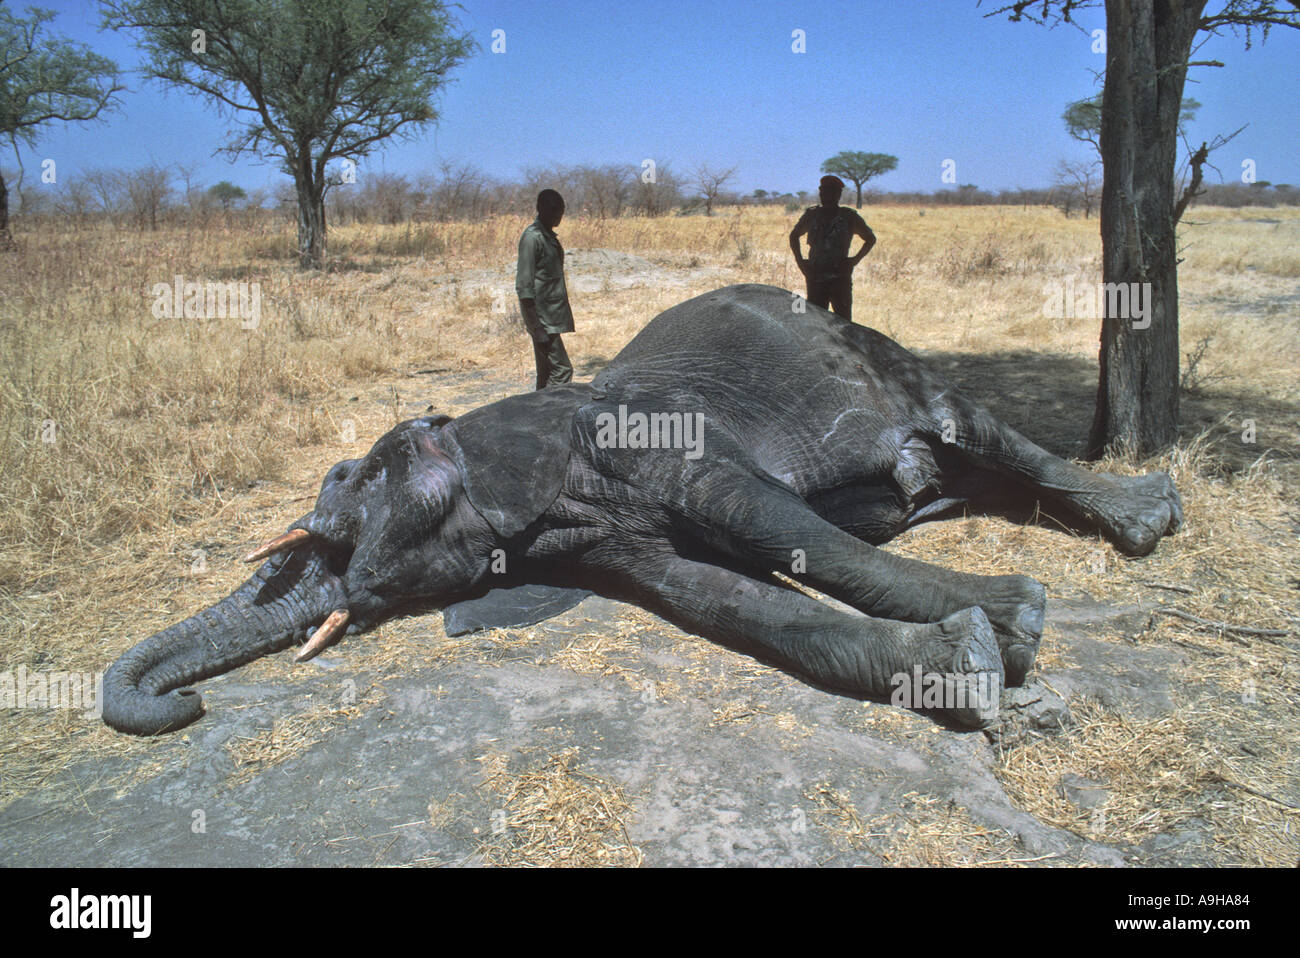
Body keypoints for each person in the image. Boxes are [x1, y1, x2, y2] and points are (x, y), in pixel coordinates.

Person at [788, 175, 876, 321]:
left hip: (840, 278)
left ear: (838, 195)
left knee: (844, 323)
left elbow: (870, 239)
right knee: (816, 321)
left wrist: (853, 261)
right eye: (823, 193)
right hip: (815, 276)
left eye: (831, 193)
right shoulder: (812, 215)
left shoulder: (849, 217)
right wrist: (800, 261)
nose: (826, 196)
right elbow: (794, 236)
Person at [516, 189, 575, 389]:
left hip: (550, 316)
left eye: (560, 211)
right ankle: (550, 414)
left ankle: (535, 416)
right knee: (562, 370)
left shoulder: (547, 236)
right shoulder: (533, 238)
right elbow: (524, 286)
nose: (558, 216)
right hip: (542, 319)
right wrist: (536, 327)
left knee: (546, 372)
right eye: (553, 211)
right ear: (540, 210)